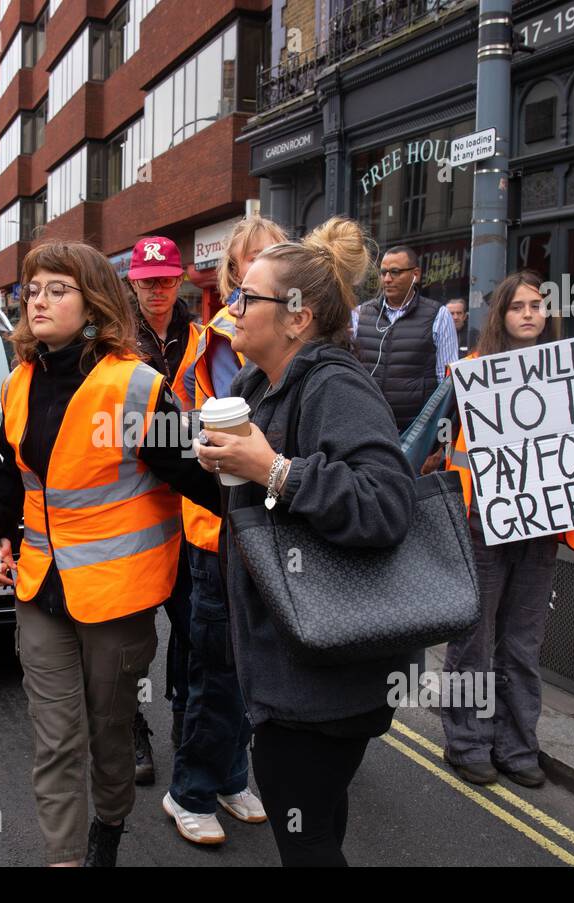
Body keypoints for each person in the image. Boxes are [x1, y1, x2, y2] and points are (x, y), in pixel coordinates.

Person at [0, 240, 220, 867]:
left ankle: (108, 829)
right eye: (32, 290)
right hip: (40, 591)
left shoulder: (136, 387)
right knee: (56, 741)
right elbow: (12, 476)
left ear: (94, 303)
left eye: (58, 289)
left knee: (110, 736)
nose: (40, 301)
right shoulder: (19, 382)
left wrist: (273, 508)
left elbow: (196, 475)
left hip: (116, 598)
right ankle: (66, 859)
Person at [194, 217, 417, 866]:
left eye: (248, 297)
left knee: (306, 840)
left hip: (328, 674)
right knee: (316, 823)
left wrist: (277, 471)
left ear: (296, 318)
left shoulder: (335, 384)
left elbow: (386, 503)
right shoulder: (252, 386)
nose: (232, 305)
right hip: (284, 655)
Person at [441, 271, 574, 788]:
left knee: (521, 644)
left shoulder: (565, 375)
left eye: (537, 305)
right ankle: (466, 742)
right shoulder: (468, 371)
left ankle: (517, 746)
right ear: (501, 316)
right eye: (518, 307)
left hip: (536, 530)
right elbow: (441, 440)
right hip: (481, 526)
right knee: (474, 639)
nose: (530, 314)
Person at [162, 214, 285, 845]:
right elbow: (197, 433)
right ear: (234, 273)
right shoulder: (217, 341)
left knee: (250, 665)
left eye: (279, 256)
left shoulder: (293, 332)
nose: (268, 267)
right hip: (218, 530)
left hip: (269, 526)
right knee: (217, 668)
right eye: (255, 260)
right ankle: (190, 791)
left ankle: (231, 774)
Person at [125, 234, 193, 781]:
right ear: (132, 281)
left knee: (193, 629)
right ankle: (132, 731)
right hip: (135, 504)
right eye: (148, 282)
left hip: (193, 503)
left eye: (166, 279)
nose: (157, 290)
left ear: (181, 278)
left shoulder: (201, 336)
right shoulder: (115, 338)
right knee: (132, 637)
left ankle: (187, 727)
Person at [351, 245, 459, 435]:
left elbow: (447, 384)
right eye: (383, 272)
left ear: (415, 274)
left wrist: (440, 443)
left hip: (416, 434)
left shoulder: (438, 316)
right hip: (368, 429)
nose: (387, 279)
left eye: (395, 272)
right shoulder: (361, 314)